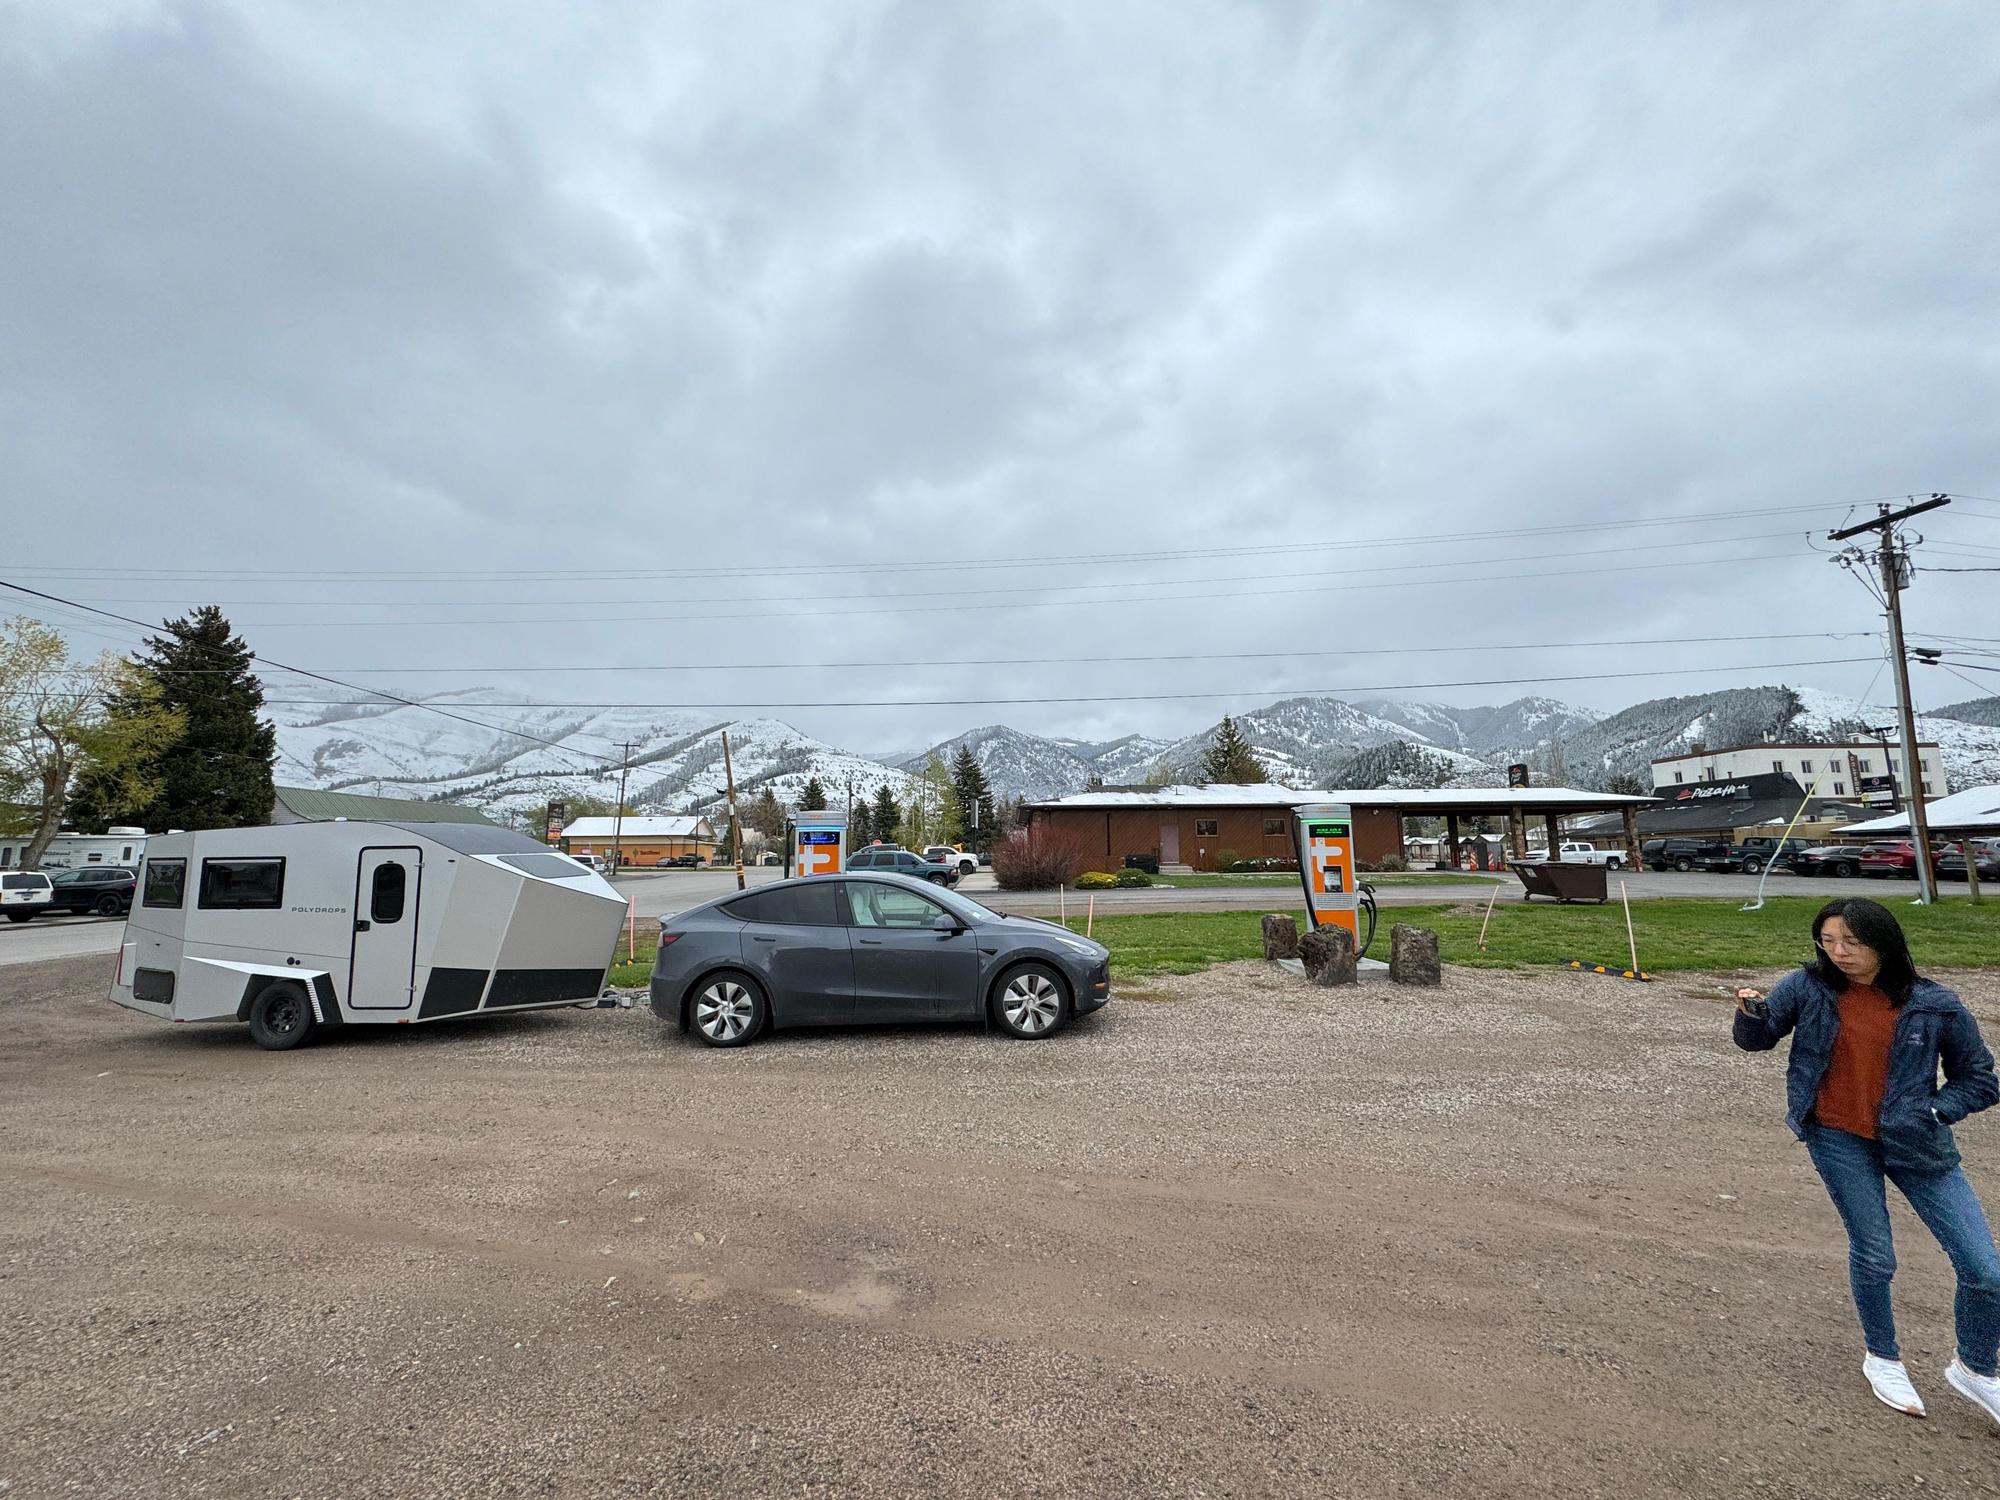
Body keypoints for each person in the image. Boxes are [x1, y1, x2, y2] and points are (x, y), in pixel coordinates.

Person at [1734, 897, 2000, 1422]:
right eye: (1828, 942)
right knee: (1876, 1253)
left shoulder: (1934, 1003)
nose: (1838, 952)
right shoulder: (1807, 987)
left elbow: (1981, 1079)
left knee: (1986, 1270)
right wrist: (1750, 1013)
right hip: (1837, 1137)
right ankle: (1883, 1357)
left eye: (1851, 942)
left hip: (1918, 1141)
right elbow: (1759, 1041)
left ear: (1884, 943)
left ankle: (1976, 1368)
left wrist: (1937, 1110)